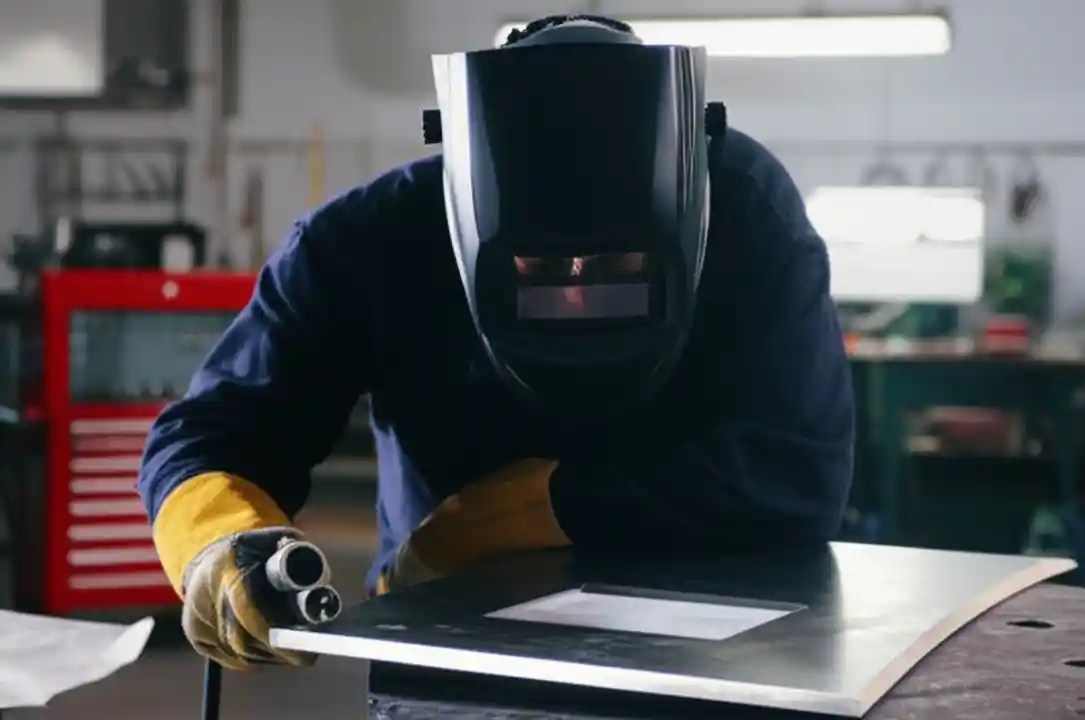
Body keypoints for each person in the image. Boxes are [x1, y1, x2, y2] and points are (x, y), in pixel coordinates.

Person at [138, 14, 854, 672]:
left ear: (686, 219)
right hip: (448, 634)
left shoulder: (747, 213)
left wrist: (531, 510)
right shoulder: (372, 240)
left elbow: (799, 472)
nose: (575, 294)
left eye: (617, 272)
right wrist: (219, 542)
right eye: (538, 272)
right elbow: (212, 434)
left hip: (722, 647)